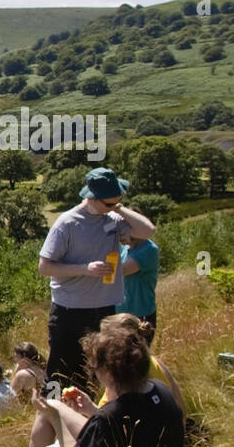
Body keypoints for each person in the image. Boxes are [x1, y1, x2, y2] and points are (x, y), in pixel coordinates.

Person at [0, 321, 184, 447]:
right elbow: (129, 428)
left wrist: (55, 417)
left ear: (109, 373)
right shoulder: (160, 392)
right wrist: (92, 409)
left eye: (95, 366)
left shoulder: (111, 414)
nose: (93, 371)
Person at [38, 167, 155, 393]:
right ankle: (50, 416)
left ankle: (89, 416)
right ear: (91, 198)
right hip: (70, 312)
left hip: (104, 310)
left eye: (118, 202)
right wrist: (85, 269)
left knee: (97, 370)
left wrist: (118, 207)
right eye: (109, 203)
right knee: (60, 370)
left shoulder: (111, 218)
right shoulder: (67, 223)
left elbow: (148, 230)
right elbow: (45, 266)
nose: (114, 208)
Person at [117, 235, 160, 343]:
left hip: (140, 317)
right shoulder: (124, 248)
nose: (118, 235)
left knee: (137, 358)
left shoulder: (149, 249)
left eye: (122, 231)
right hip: (120, 316)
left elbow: (121, 271)